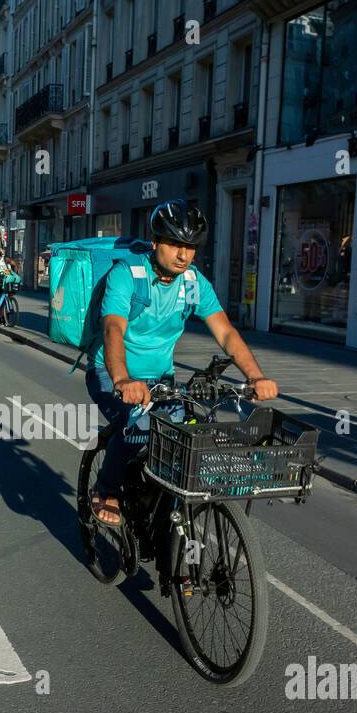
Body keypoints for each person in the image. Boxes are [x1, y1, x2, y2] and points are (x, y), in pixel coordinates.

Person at [86, 200, 278, 527]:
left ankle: (174, 552)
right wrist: (122, 380)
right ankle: (106, 489)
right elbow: (113, 328)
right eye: (175, 244)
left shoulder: (193, 283)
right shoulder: (127, 275)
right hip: (112, 372)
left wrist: (256, 376)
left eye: (190, 247)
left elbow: (226, 333)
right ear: (156, 241)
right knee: (139, 428)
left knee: (186, 441)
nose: (183, 255)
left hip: (161, 379)